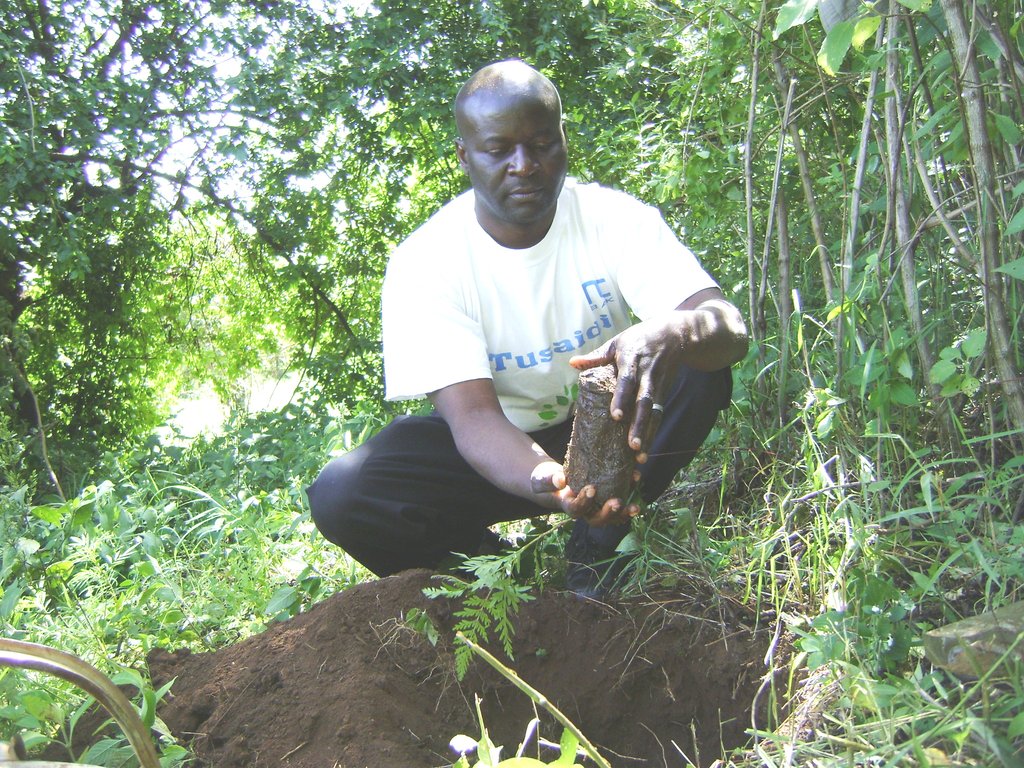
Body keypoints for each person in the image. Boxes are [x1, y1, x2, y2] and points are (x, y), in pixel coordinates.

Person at [306, 59, 748, 596]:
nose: (525, 165)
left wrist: (676, 332)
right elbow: (472, 420)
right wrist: (551, 483)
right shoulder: (427, 262)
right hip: (498, 446)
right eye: (499, 150)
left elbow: (727, 326)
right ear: (465, 156)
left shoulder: (613, 219)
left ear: (563, 141)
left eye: (541, 144)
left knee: (699, 361)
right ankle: (492, 580)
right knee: (345, 493)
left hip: (608, 430)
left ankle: (597, 544)